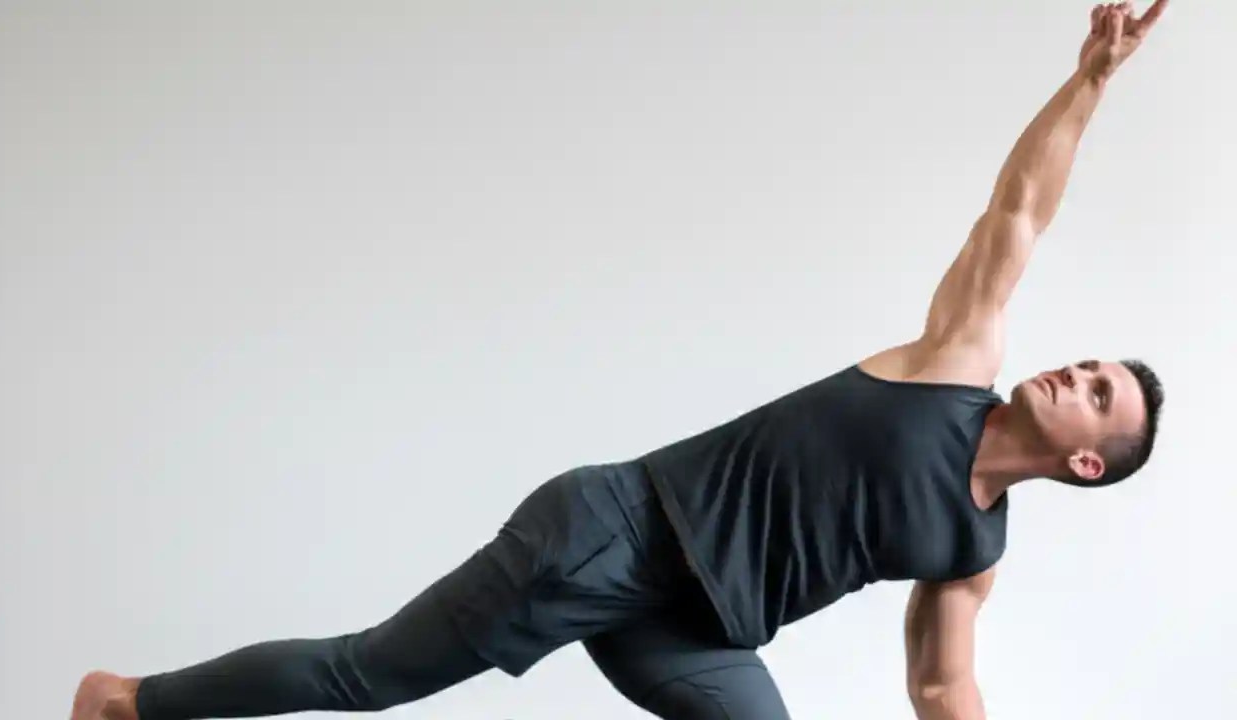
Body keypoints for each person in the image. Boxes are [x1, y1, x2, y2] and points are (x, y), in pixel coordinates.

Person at [69, 3, 1169, 719]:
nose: (1071, 373)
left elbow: (942, 681)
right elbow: (1014, 214)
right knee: (371, 675)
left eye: (1095, 392)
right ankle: (126, 702)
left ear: (1085, 464)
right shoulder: (951, 364)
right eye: (1082, 364)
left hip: (693, 630)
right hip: (616, 532)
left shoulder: (969, 547)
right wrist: (1090, 82)